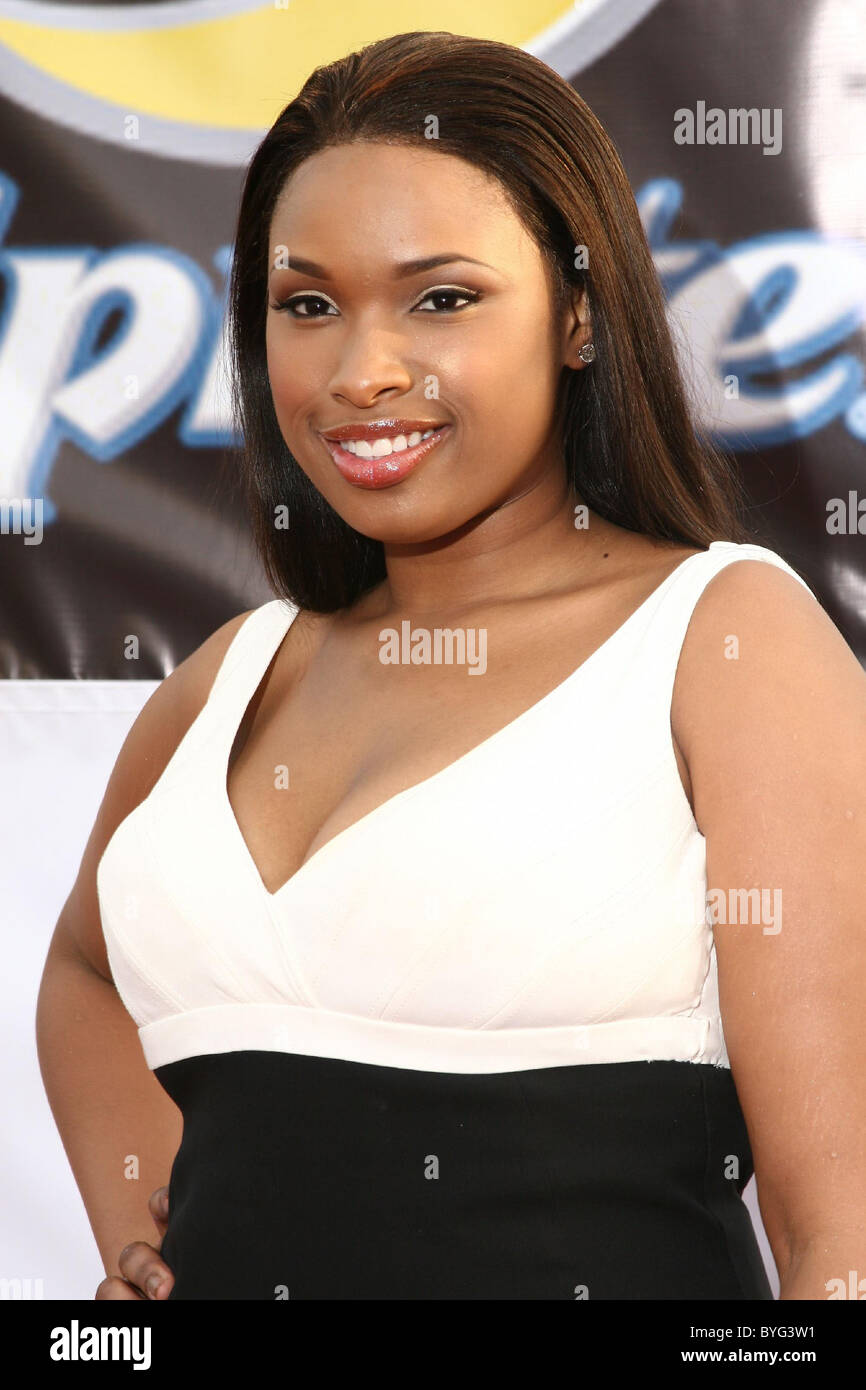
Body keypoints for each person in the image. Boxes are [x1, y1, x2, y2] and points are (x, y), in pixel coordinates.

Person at [36, 31, 866, 1300]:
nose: (361, 372)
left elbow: (839, 1242)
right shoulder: (229, 677)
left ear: (578, 315)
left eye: (440, 299)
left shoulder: (723, 640)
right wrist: (148, 1244)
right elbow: (85, 971)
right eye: (306, 304)